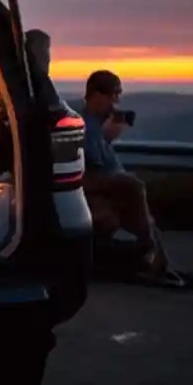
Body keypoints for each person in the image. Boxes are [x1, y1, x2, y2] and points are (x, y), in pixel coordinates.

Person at [79, 70, 170, 276]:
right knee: (134, 187)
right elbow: (94, 166)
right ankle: (149, 252)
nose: (116, 102)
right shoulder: (85, 126)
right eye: (113, 96)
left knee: (141, 208)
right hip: (93, 187)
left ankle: (155, 260)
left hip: (101, 186)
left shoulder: (97, 127)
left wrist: (108, 138)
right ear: (97, 96)